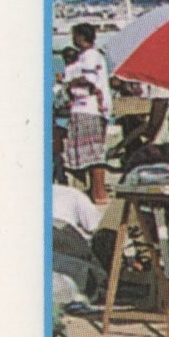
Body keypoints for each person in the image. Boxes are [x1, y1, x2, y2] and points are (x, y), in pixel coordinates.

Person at [57, 22, 112, 202]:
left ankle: (99, 194)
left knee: (93, 154)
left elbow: (88, 81)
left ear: (81, 37)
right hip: (85, 110)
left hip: (88, 110)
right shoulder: (88, 57)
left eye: (75, 36)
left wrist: (67, 79)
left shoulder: (90, 56)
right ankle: (95, 193)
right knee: (89, 155)